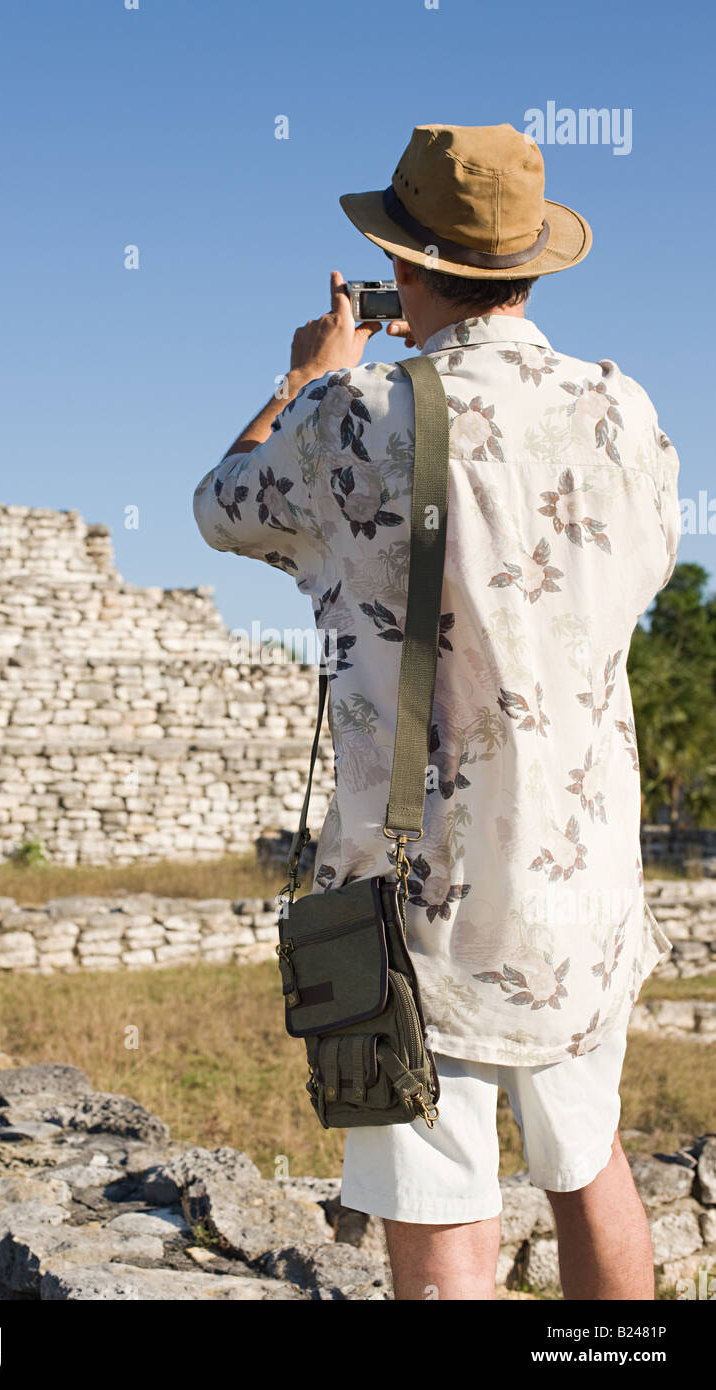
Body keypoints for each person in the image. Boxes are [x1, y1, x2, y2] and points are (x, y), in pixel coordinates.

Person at [192, 123, 681, 1300]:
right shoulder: (623, 408)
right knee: (590, 1166)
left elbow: (219, 507)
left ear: (401, 266)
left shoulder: (355, 411)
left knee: (438, 1208)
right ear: (527, 263)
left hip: (422, 900)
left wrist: (304, 375)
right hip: (584, 884)